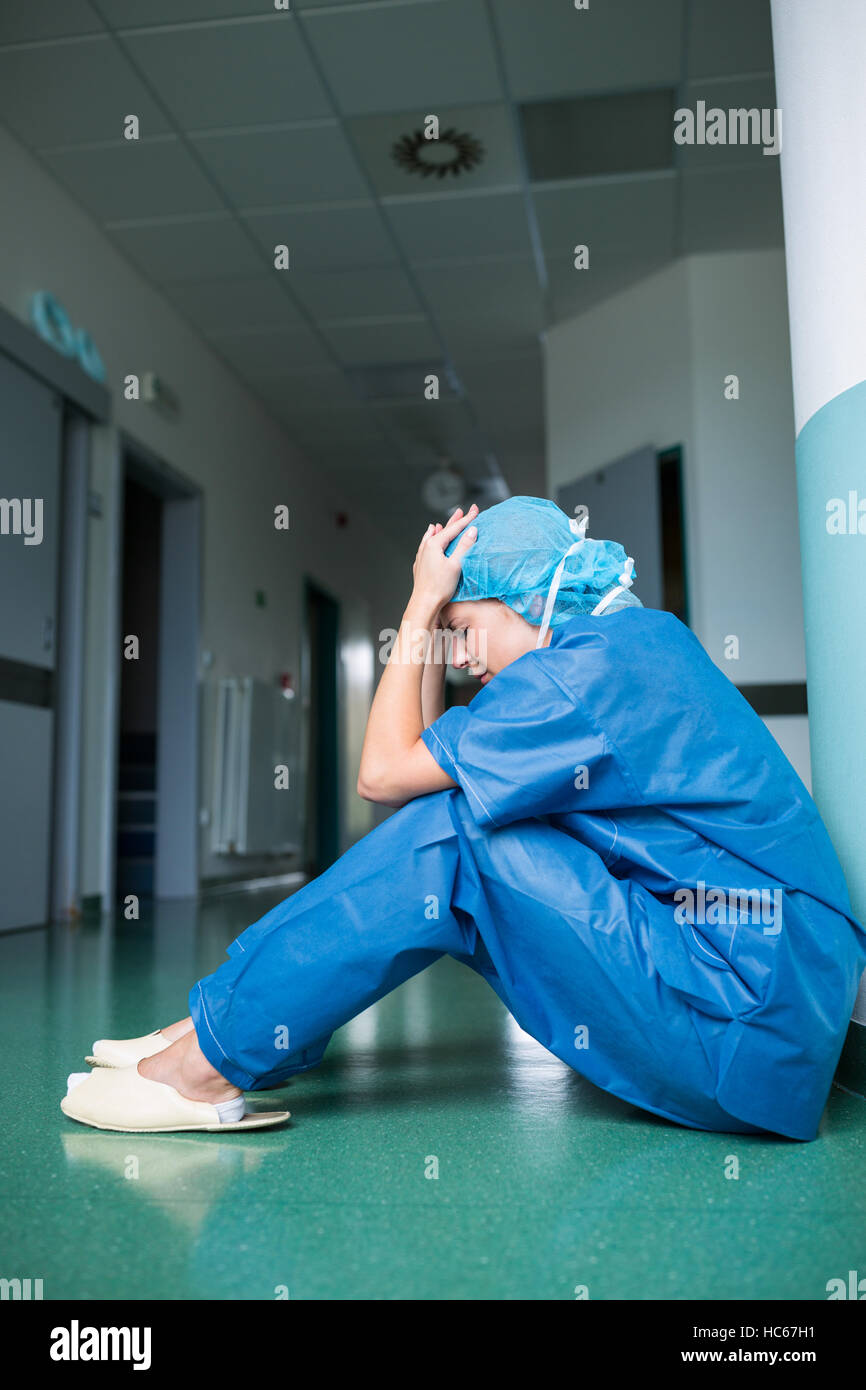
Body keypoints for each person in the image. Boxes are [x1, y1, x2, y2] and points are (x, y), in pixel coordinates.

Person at [62, 497, 866, 1139]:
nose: (460, 657)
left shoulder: (582, 677)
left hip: (744, 1020)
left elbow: (383, 775)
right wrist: (439, 610)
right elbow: (417, 769)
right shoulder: (619, 648)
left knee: (456, 843)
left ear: (530, 598)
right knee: (462, 826)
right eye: (447, 636)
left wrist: (416, 608)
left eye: (463, 628)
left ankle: (208, 1059)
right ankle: (245, 1029)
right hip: (765, 1003)